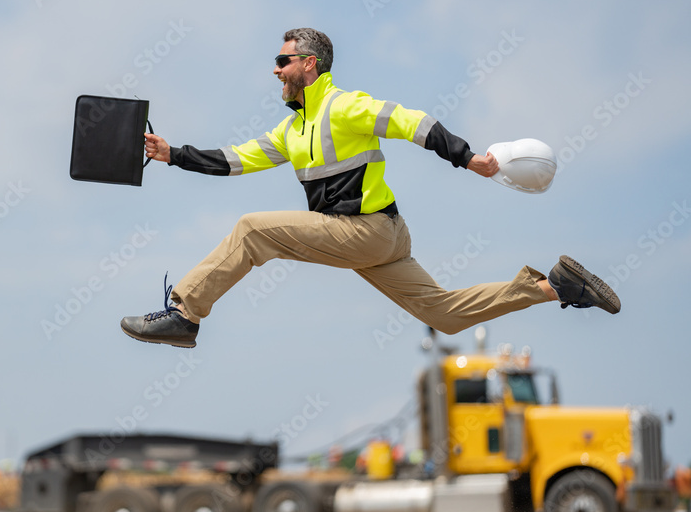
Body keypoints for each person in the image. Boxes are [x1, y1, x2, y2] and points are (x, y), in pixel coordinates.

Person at [120, 28, 619, 349]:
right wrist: (173, 153)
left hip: (365, 230)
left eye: (283, 59)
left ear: (310, 64)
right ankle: (556, 286)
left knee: (252, 230)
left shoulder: (342, 105)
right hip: (384, 239)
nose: (275, 68)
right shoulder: (291, 130)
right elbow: (237, 159)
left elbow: (411, 121)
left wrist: (471, 160)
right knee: (442, 315)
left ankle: (184, 313)